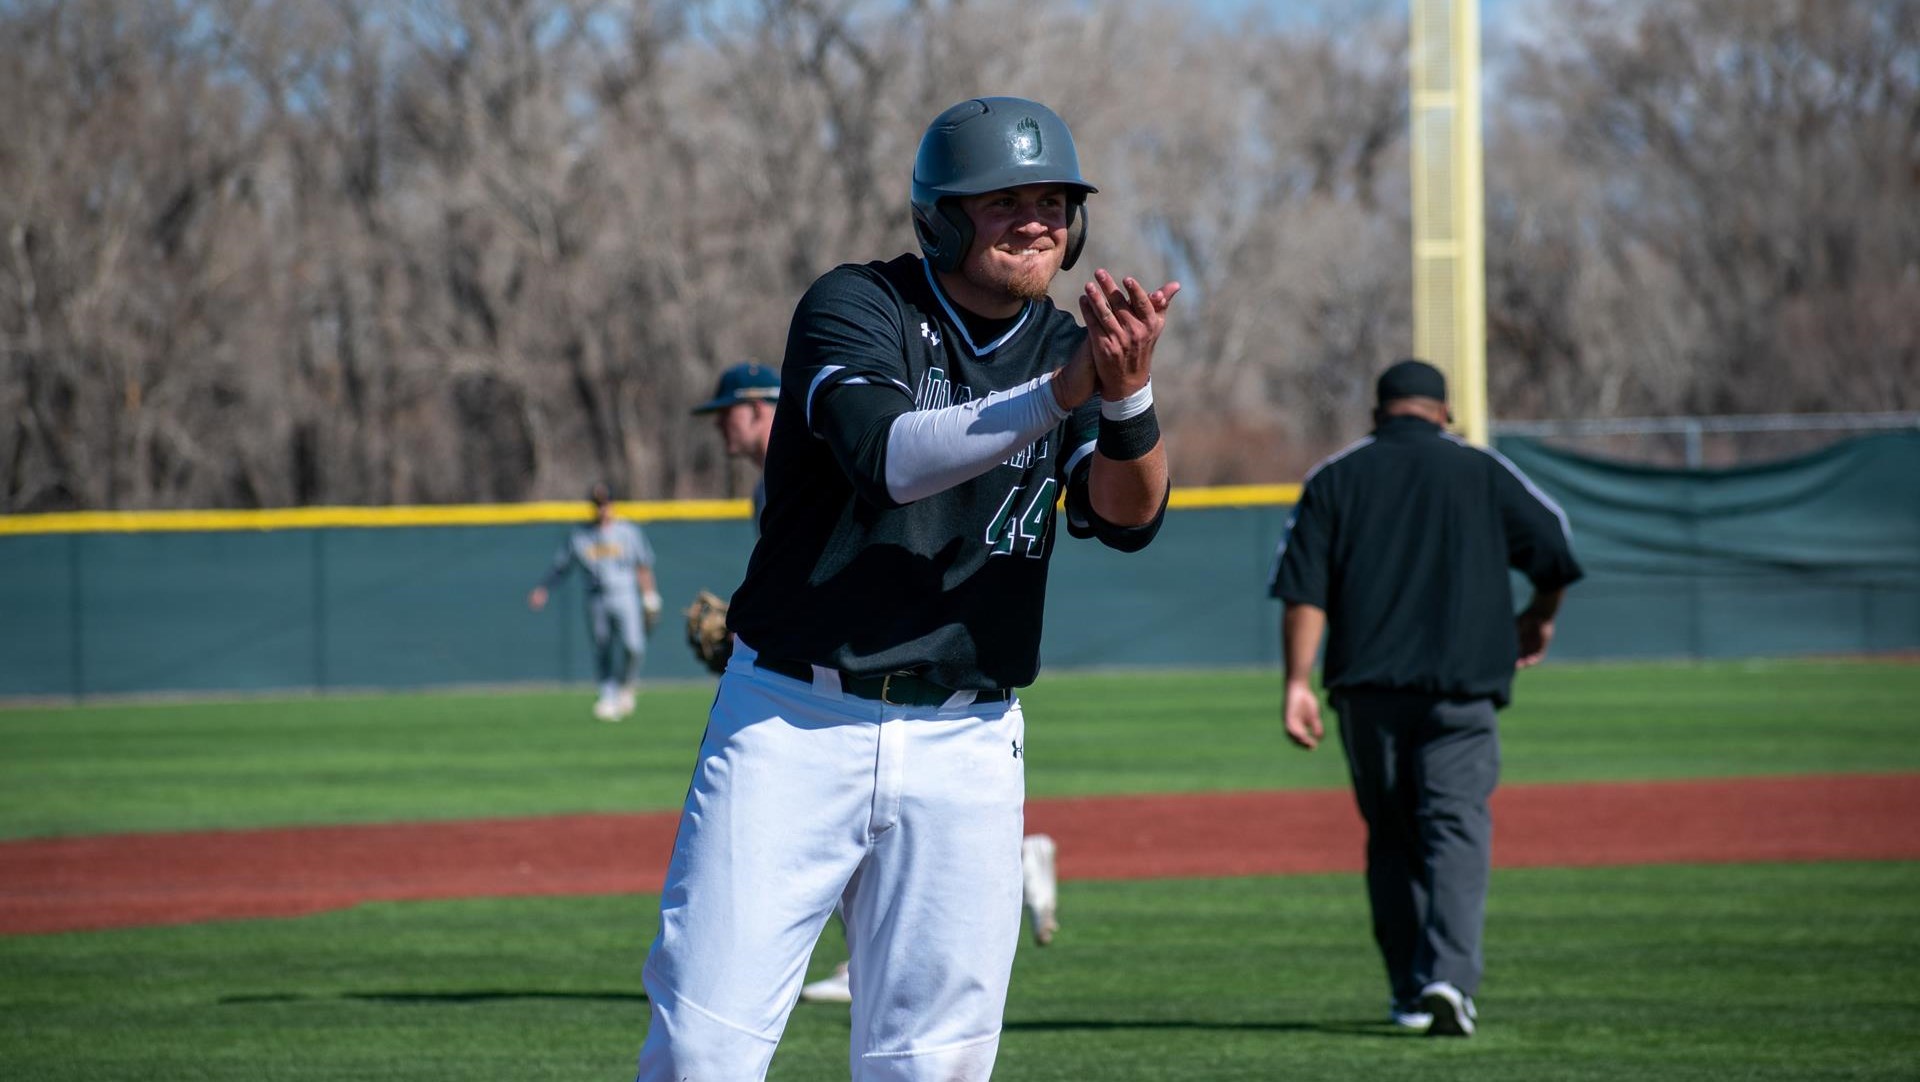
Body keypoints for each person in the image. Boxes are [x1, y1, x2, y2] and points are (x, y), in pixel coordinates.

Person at [635, 96, 1177, 1080]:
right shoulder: (859, 306)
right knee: (703, 1046)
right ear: (939, 215)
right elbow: (890, 457)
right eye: (1003, 200)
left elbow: (1131, 516)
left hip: (968, 739)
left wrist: (1129, 391)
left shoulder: (1067, 347)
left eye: (1054, 199)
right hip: (794, 721)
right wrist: (1067, 393)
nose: (1038, 219)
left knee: (933, 1064)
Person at [1268, 359, 1584, 1037]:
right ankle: (1448, 978)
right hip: (1465, 687)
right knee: (1455, 826)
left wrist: (1298, 681)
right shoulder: (1482, 469)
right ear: (1444, 413)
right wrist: (1541, 613)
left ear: (1378, 415)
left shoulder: (1335, 476)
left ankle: (1412, 990)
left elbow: (1304, 590)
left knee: (1392, 836)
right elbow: (1556, 544)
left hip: (1369, 691)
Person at [527, 483, 662, 721]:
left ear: (613, 504)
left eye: (606, 504)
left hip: (625, 594)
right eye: (598, 505)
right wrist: (543, 588)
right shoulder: (581, 535)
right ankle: (608, 694)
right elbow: (561, 566)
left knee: (634, 645)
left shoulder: (628, 532)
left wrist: (650, 595)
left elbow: (643, 565)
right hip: (596, 597)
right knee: (603, 646)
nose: (602, 509)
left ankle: (626, 685)